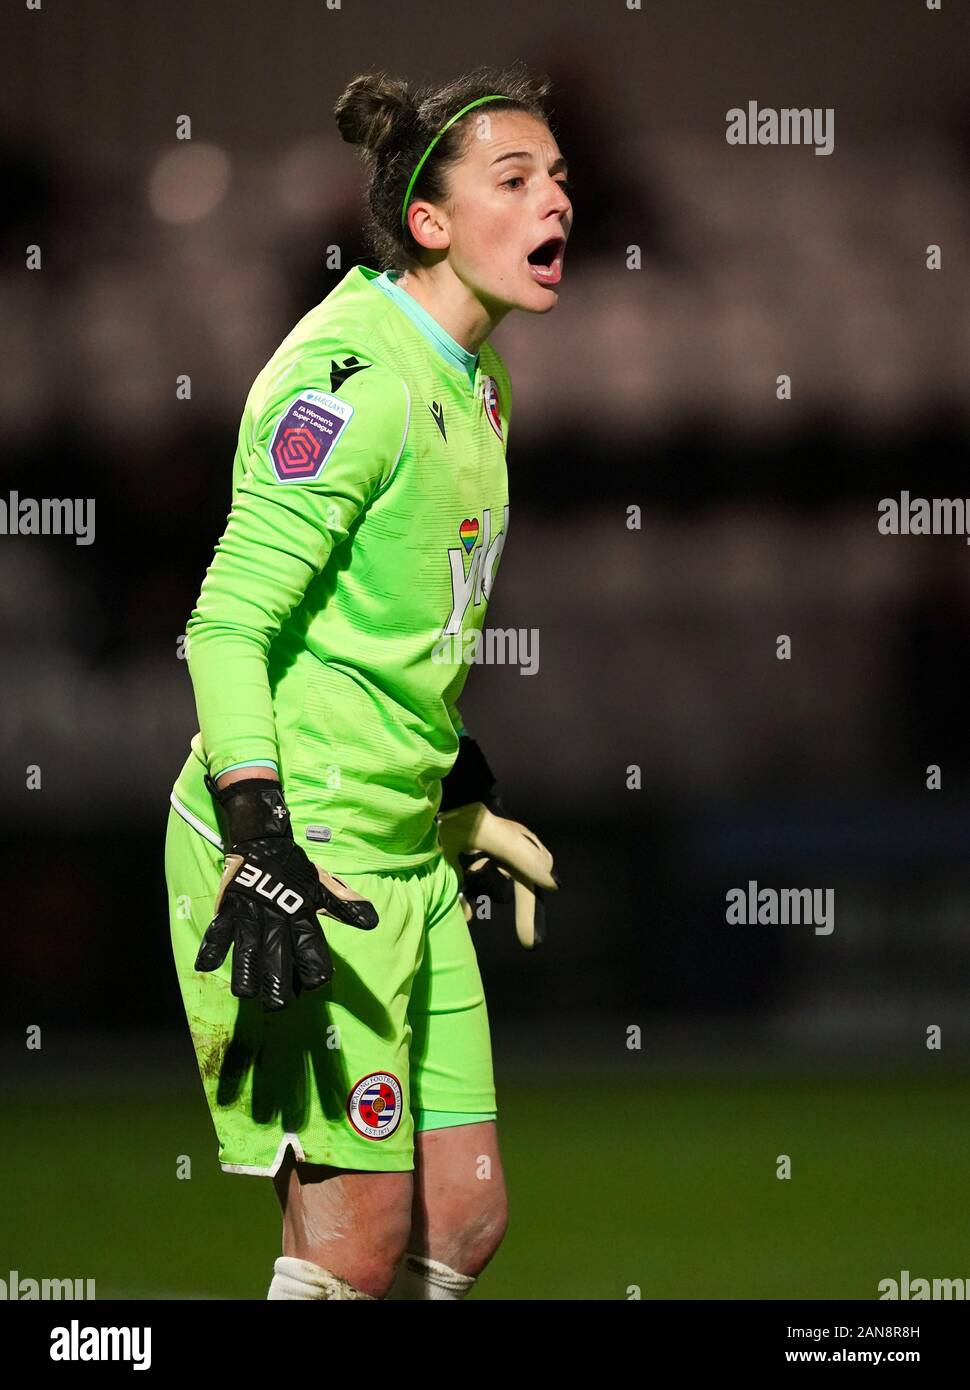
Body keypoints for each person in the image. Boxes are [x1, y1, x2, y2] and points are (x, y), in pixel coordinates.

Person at [164, 61, 571, 1301]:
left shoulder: (477, 379)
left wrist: (461, 799)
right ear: (430, 222)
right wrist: (258, 834)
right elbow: (228, 621)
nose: (555, 199)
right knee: (349, 1241)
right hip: (302, 855)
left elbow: (394, 634)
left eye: (559, 176)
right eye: (516, 179)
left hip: (406, 849)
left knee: (465, 1218)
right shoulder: (352, 380)